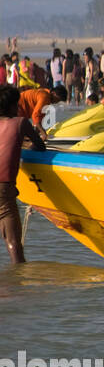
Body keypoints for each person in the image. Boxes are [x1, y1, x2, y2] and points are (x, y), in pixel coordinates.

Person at [1, 84, 46, 263]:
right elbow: (40, 146)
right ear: (13, 106)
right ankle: (18, 285)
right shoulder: (20, 122)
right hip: (4, 188)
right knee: (14, 245)